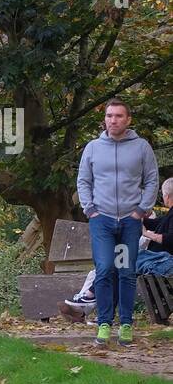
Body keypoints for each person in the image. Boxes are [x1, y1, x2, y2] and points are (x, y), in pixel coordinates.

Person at [76, 99, 159, 346]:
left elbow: (152, 180)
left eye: (119, 116)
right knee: (103, 269)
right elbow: (84, 181)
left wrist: (141, 210)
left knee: (126, 272)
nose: (113, 120)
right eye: (109, 116)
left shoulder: (141, 147)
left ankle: (125, 324)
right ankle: (104, 323)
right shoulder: (92, 148)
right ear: (105, 119)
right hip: (103, 222)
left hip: (129, 223)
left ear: (128, 119)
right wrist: (90, 209)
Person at [61, 176, 173, 322]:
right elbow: (155, 223)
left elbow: (170, 239)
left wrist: (148, 234)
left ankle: (91, 301)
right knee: (117, 264)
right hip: (154, 259)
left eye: (163, 195)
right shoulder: (169, 215)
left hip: (160, 261)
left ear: (168, 196)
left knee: (118, 263)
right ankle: (95, 306)